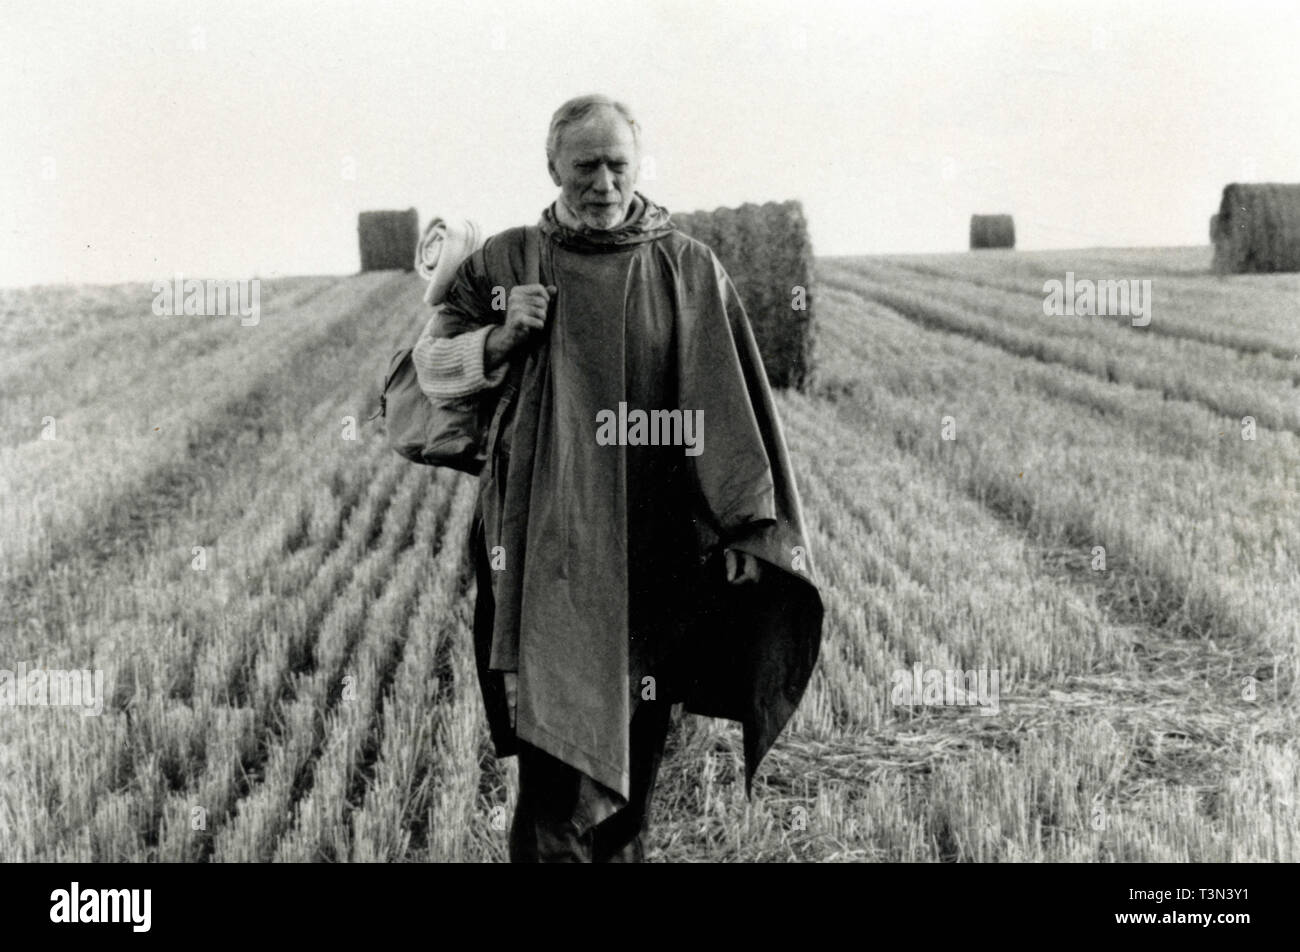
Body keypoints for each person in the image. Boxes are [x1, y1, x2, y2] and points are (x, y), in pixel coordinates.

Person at [413, 94, 823, 862]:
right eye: (585, 167)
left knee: (632, 771)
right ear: (552, 168)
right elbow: (426, 370)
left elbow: (726, 401)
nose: (603, 183)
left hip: (653, 553)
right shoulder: (504, 261)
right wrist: (497, 339)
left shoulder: (687, 266)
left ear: (637, 165)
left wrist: (745, 527)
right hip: (543, 548)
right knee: (555, 773)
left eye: (617, 165)